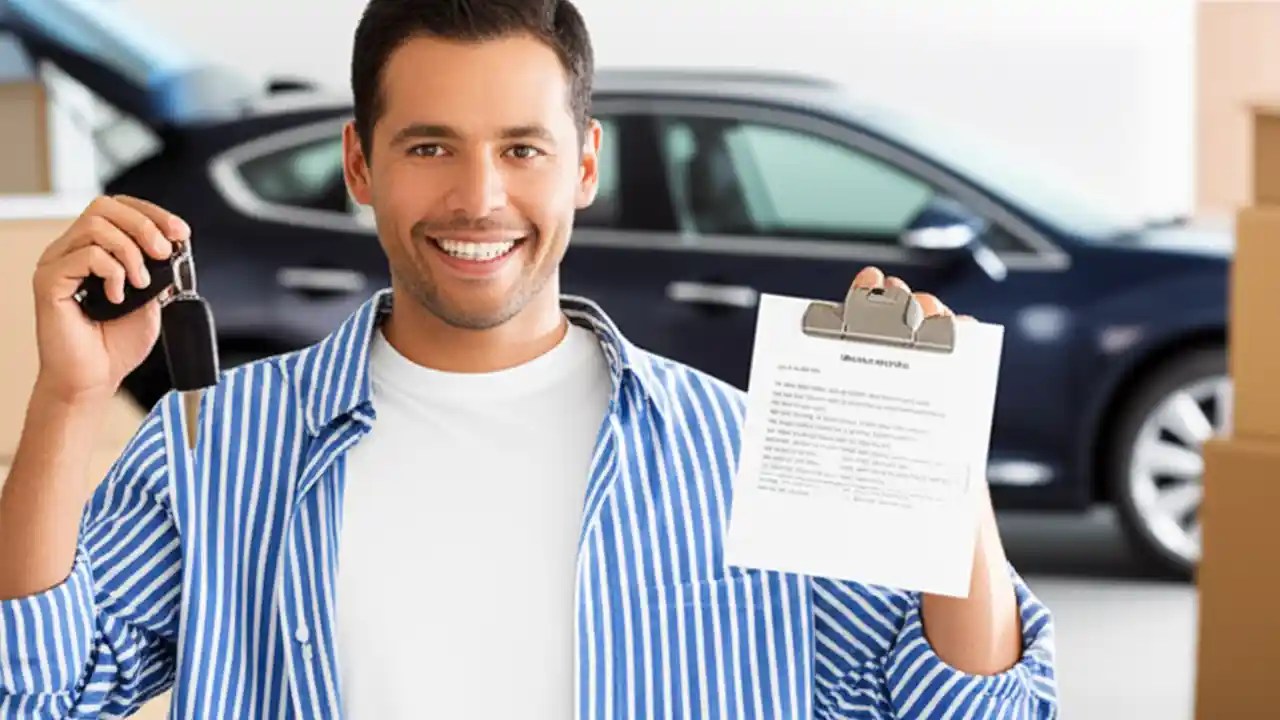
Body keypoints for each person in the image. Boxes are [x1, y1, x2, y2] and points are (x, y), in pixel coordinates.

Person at [0, 1, 1057, 717]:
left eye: (522, 149)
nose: (478, 198)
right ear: (360, 165)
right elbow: (39, 692)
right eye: (429, 147)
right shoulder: (220, 443)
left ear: (582, 164)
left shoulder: (735, 448)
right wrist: (67, 400)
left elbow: (966, 708)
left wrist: (940, 464)